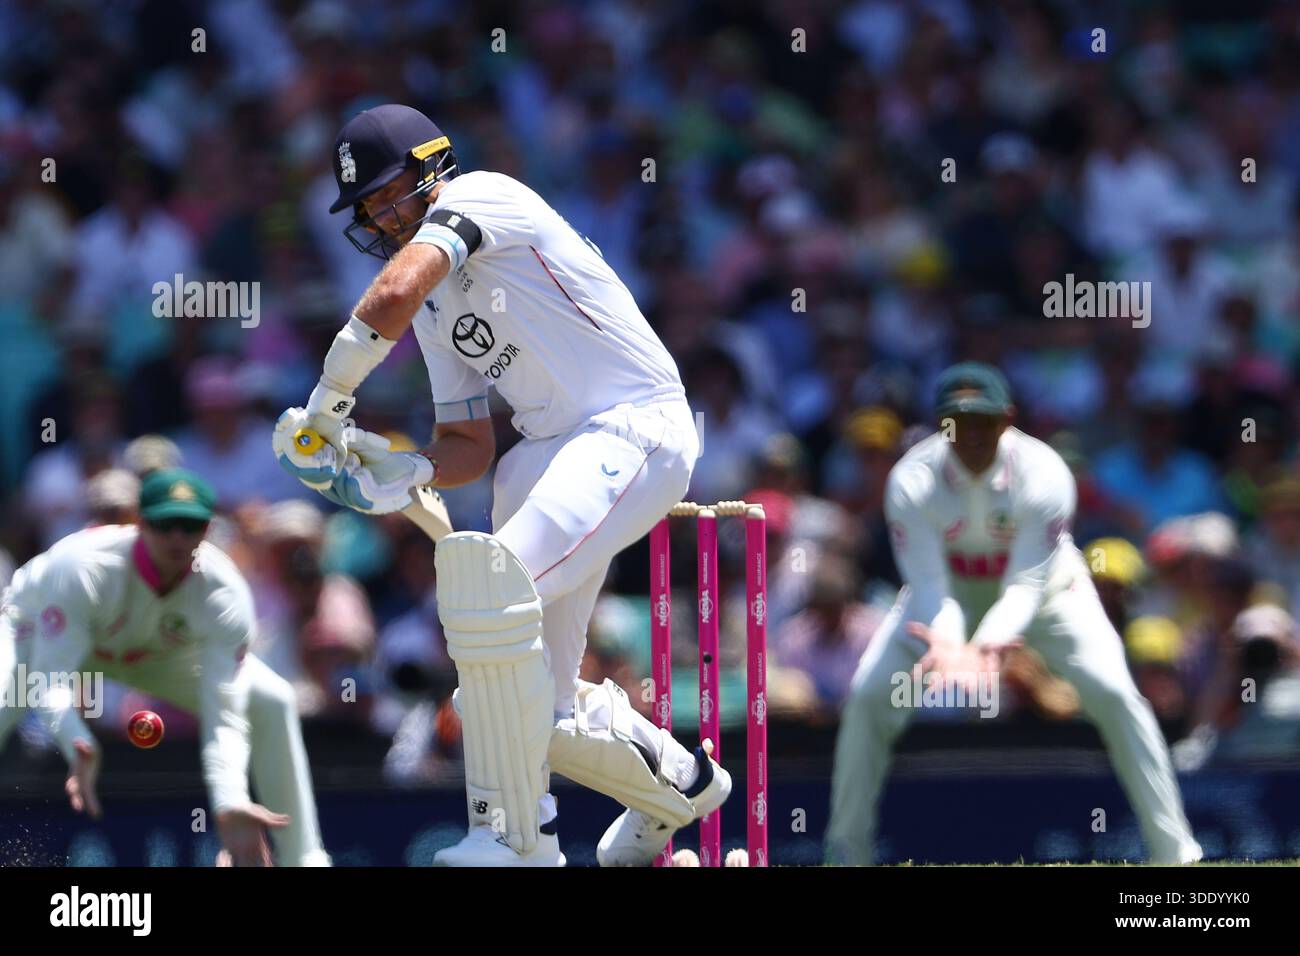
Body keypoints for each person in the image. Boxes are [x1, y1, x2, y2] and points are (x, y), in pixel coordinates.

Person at [272, 104, 720, 866]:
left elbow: (388, 296)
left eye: (389, 195)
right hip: (546, 452)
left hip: (634, 425)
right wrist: (399, 468)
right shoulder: (436, 302)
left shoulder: (482, 195)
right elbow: (469, 444)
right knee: (521, 703)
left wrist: (325, 406)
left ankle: (516, 842)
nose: (382, 218)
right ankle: (681, 782)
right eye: (369, 209)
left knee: (489, 608)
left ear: (431, 168)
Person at [826, 363, 1201, 865]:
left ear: (1007, 420)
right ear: (940, 425)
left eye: (983, 420)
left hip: (1051, 597)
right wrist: (950, 645)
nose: (972, 434)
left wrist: (981, 648)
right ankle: (845, 854)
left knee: (1114, 693)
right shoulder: (911, 481)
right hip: (942, 605)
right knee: (869, 696)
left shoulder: (1044, 474)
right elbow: (932, 585)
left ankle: (1174, 853)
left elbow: (1025, 586)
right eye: (958, 422)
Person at [0, 469, 329, 866]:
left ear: (207, 529)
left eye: (189, 526)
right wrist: (74, 739)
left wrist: (230, 800)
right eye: (164, 524)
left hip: (156, 655)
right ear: (141, 524)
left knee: (272, 698)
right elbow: (48, 679)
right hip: (35, 633)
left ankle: (305, 859)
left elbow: (225, 713)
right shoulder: (82, 566)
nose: (177, 537)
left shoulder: (223, 591)